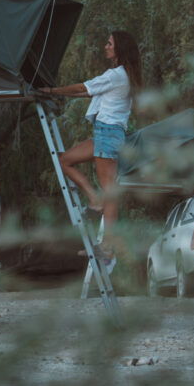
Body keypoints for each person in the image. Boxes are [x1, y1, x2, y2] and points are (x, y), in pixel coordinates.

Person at [39, 30, 143, 266]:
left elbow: (82, 88)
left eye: (109, 43)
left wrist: (52, 91)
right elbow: (88, 92)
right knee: (64, 160)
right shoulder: (121, 75)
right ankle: (94, 200)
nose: (105, 47)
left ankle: (107, 245)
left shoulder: (117, 75)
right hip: (104, 133)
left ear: (120, 49)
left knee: (110, 191)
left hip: (108, 134)